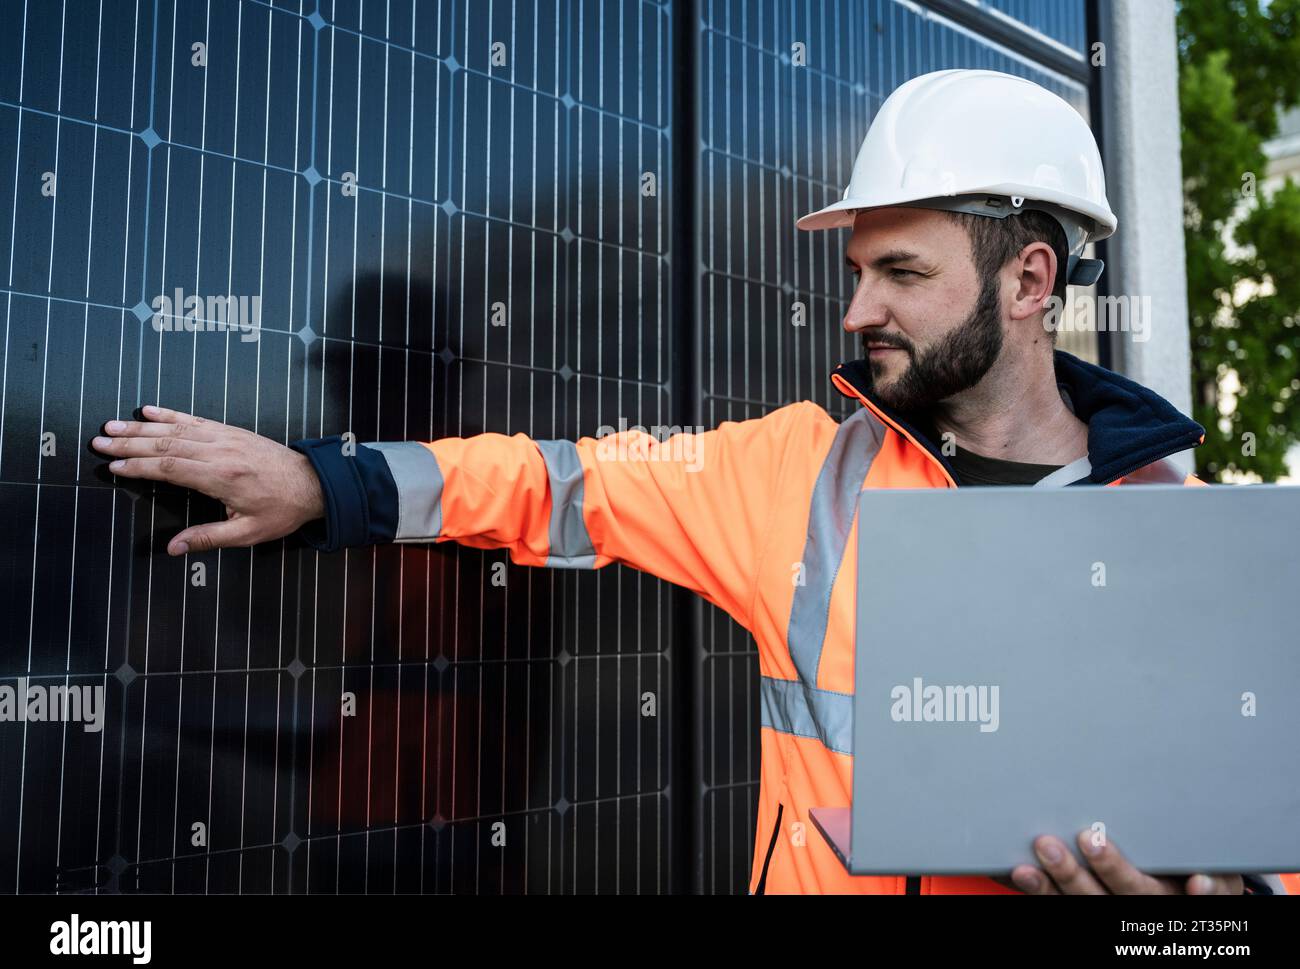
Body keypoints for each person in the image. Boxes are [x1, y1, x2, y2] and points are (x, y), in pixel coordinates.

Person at [92, 69, 1296, 895]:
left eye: (901, 272)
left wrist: (1171, 926)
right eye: (859, 268)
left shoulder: (1191, 552)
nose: (855, 309)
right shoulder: (792, 473)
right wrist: (319, 482)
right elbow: (552, 484)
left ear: (1028, 282)